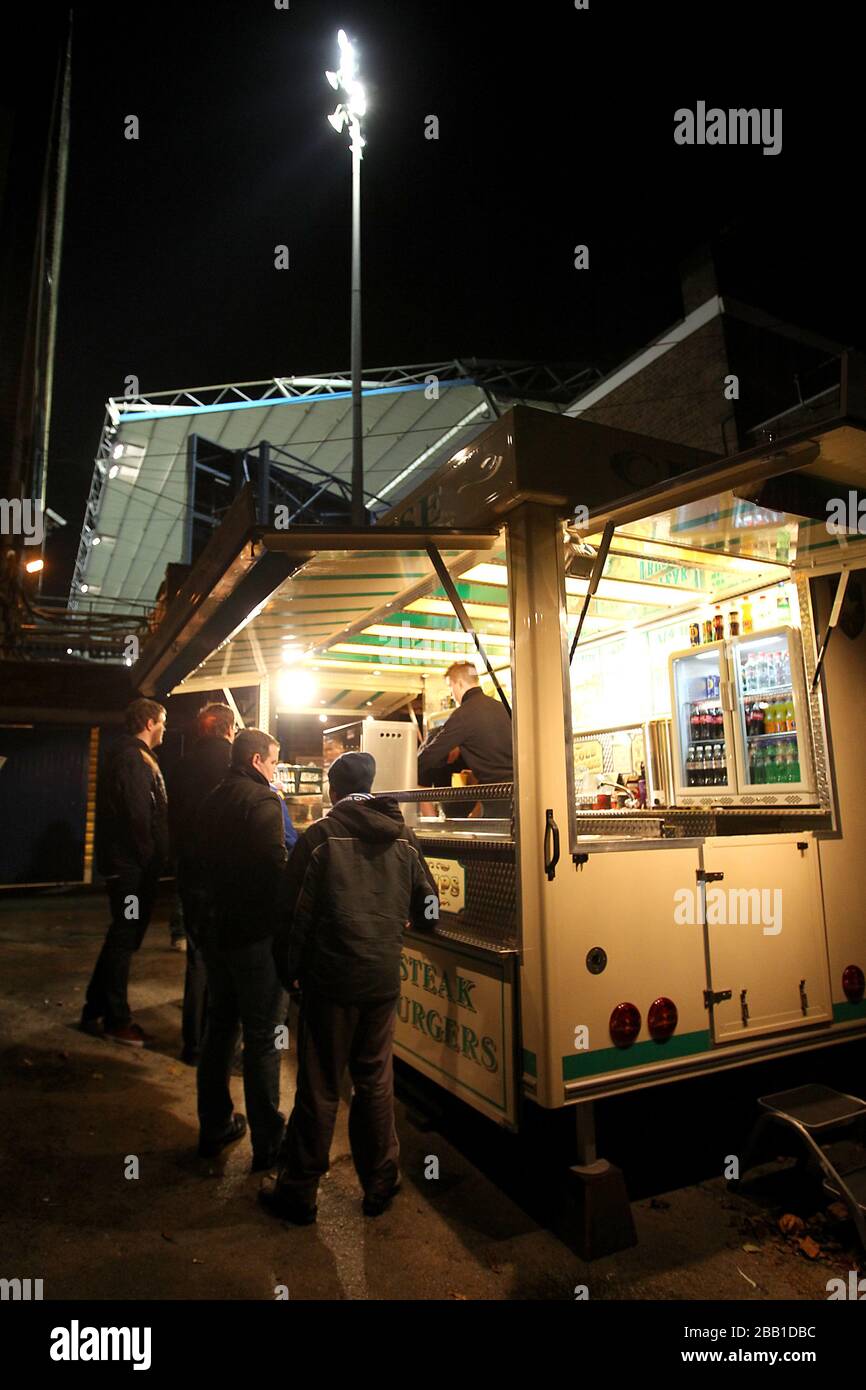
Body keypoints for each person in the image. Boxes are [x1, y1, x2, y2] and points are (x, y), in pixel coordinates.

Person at [261, 750, 438, 1225]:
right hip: (381, 979)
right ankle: (381, 1181)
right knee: (375, 1082)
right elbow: (430, 907)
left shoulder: (319, 837)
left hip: (330, 980)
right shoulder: (403, 836)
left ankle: (298, 1191)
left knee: (320, 1086)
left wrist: (289, 970)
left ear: (333, 792)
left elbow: (292, 914)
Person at [193, 728, 289, 1170]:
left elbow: (192, 864)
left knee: (219, 1031)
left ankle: (214, 1127)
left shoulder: (211, 798)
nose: (275, 770)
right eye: (273, 762)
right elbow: (274, 870)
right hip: (254, 937)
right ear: (256, 761)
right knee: (262, 1039)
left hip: (215, 934)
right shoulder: (264, 802)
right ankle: (268, 1145)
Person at [81, 698, 169, 1047]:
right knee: (125, 936)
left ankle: (95, 1008)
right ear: (149, 722)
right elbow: (137, 816)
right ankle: (116, 1019)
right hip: (131, 872)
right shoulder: (133, 758)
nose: (165, 727)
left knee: (122, 936)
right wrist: (149, 860)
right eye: (162, 720)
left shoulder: (135, 756)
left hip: (131, 868)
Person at [169, 702, 236, 1066]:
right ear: (228, 729)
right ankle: (221, 1044)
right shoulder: (235, 763)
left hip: (191, 873)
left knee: (198, 958)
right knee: (228, 961)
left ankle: (193, 1044)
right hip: (225, 876)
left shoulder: (180, 766)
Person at [417, 660, 513, 816]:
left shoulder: (464, 715)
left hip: (497, 799)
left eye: (451, 687)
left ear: (459, 683)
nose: (452, 694)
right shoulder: (503, 708)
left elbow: (430, 755)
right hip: (520, 796)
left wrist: (406, 770)